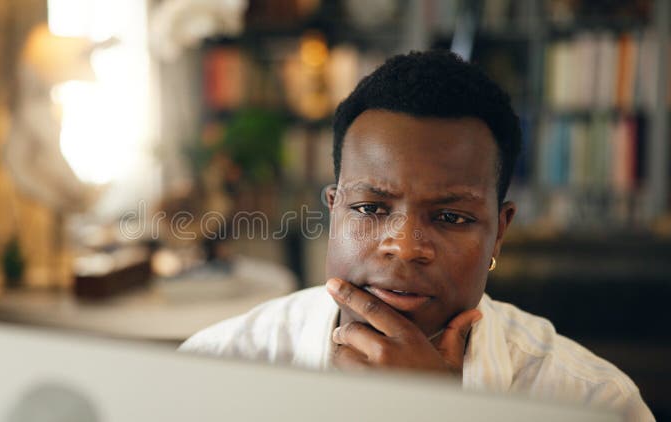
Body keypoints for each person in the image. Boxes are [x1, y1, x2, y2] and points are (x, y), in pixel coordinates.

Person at [178, 50, 654, 421]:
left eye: (451, 218)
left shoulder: (591, 402)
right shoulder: (217, 369)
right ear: (333, 211)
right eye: (369, 208)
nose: (404, 246)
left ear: (499, 232)